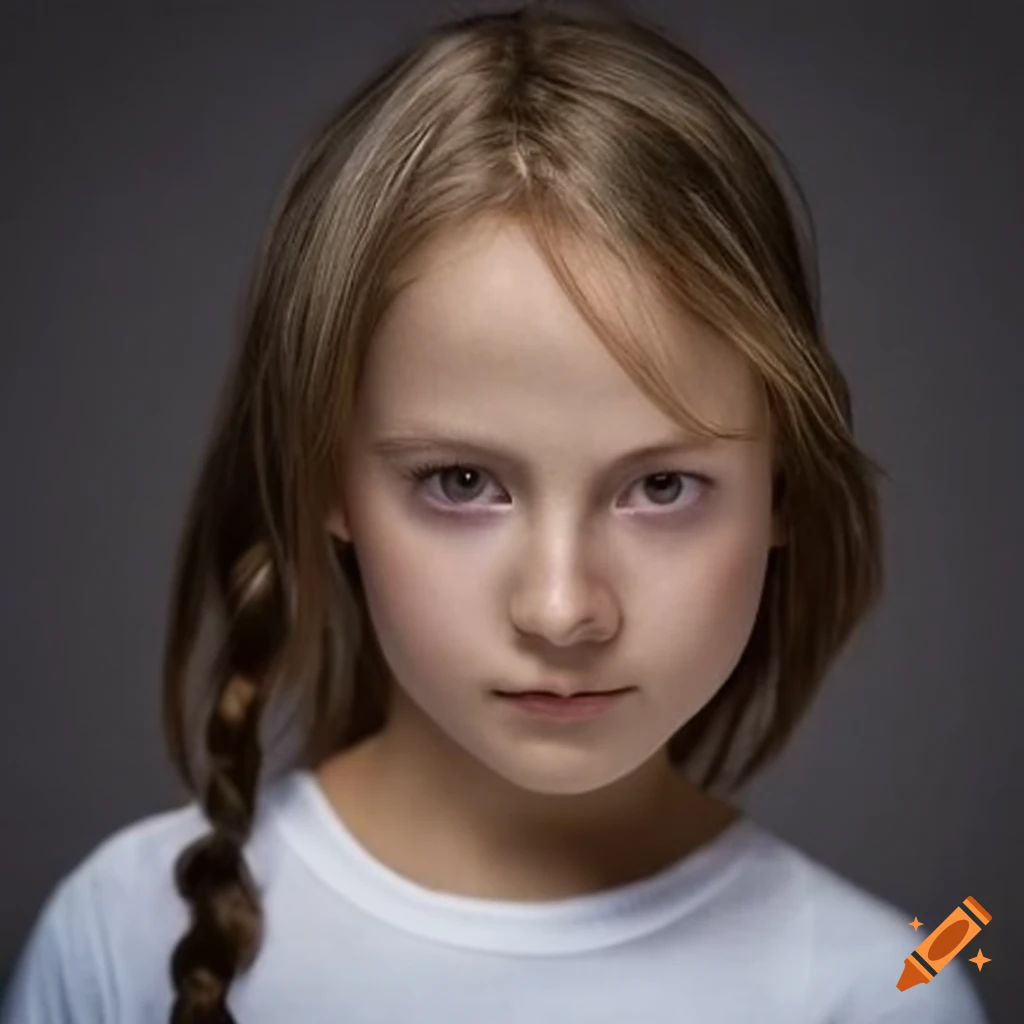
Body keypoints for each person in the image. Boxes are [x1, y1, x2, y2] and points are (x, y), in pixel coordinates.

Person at [1, 2, 991, 1022]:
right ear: (327, 478)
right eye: (461, 482)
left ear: (781, 486)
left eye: (660, 486)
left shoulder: (881, 991)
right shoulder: (119, 938)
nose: (562, 610)